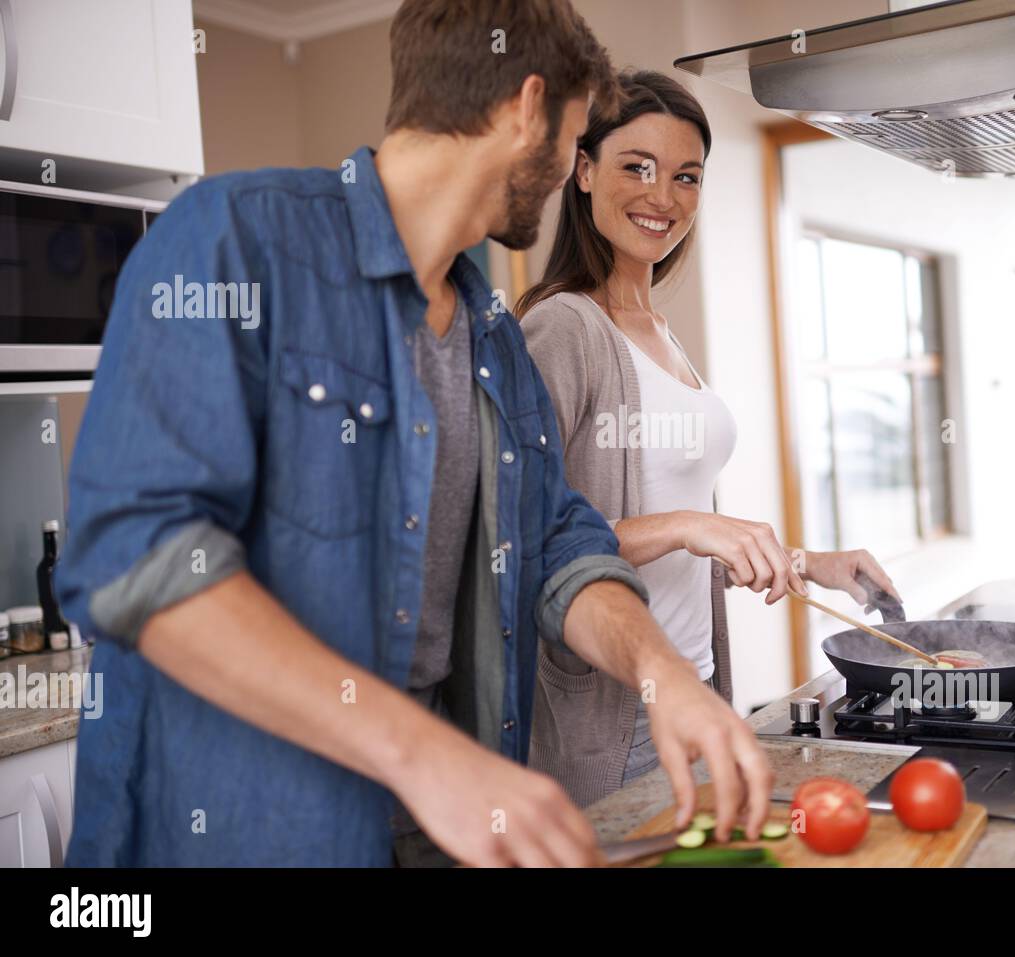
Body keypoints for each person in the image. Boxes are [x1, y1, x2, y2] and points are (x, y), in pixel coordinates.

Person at [55, 1, 770, 868]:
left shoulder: (493, 335)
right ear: (524, 107)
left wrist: (663, 674)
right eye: (572, 139)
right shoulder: (233, 239)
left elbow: (558, 545)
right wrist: (425, 757)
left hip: (434, 833)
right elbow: (140, 556)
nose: (562, 177)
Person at [519, 71, 900, 805]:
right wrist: (695, 526)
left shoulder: (660, 332)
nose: (663, 196)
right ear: (584, 171)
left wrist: (804, 560)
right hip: (617, 707)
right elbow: (530, 542)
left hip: (695, 683)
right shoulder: (562, 328)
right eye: (637, 166)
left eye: (685, 176)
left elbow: (678, 542)